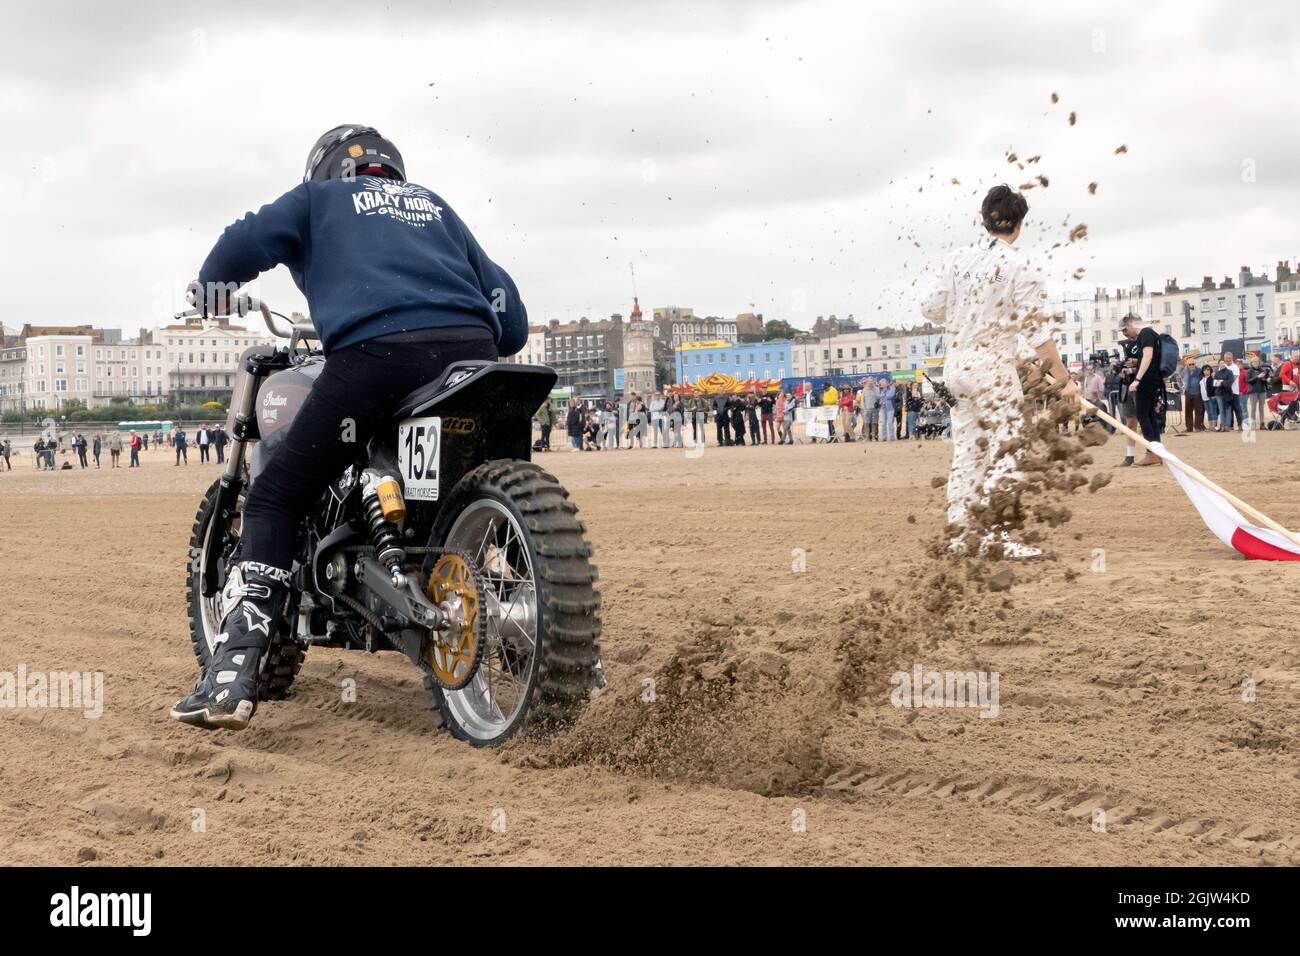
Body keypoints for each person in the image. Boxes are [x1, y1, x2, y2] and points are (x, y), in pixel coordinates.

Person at [172, 124, 526, 731]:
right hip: (470, 357)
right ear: (393, 169)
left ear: (327, 170)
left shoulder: (320, 201)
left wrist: (210, 290)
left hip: (378, 352)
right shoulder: (434, 206)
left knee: (276, 498)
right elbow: (511, 318)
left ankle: (232, 674)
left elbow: (244, 239)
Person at [919, 183, 1078, 559]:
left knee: (968, 452)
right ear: (1019, 224)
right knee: (1010, 446)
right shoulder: (1021, 267)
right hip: (992, 368)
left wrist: (969, 313)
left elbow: (929, 307)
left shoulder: (956, 259)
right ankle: (996, 534)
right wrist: (1065, 383)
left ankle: (960, 535)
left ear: (984, 220)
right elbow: (1038, 334)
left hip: (956, 367)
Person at [1119, 313, 1163, 466]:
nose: (1125, 333)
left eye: (1125, 329)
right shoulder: (1147, 335)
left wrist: (1137, 380)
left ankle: (1151, 453)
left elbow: (1148, 356)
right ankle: (1157, 452)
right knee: (1149, 416)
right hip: (1151, 379)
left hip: (1147, 381)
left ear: (1131, 324)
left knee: (1143, 416)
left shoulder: (1145, 333)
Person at [1214, 353, 1243, 432]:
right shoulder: (1223, 367)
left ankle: (1240, 425)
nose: (1227, 359)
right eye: (1226, 358)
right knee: (1228, 409)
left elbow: (1232, 379)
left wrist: (1222, 381)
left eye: (1229, 358)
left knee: (1237, 409)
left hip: (1234, 391)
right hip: (1224, 392)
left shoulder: (1235, 367)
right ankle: (1229, 426)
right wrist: (1221, 382)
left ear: (1232, 358)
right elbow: (1218, 379)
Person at [1245, 354, 1270, 431]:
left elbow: (1265, 380)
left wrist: (1265, 379)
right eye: (1254, 361)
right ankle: (1252, 425)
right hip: (1253, 391)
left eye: (1257, 361)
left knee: (1261, 408)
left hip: (1262, 391)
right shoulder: (1249, 371)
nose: (1256, 363)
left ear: (1259, 363)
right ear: (1251, 363)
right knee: (1253, 408)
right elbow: (1248, 380)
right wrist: (1257, 377)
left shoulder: (1262, 370)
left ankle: (1262, 424)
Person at [1180, 359, 1204, 432]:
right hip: (1188, 393)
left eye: (1193, 364)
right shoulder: (1184, 371)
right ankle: (1189, 428)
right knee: (1188, 412)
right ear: (1187, 365)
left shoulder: (1200, 371)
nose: (1191, 366)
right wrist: (1181, 385)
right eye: (1189, 364)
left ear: (1195, 364)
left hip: (1197, 393)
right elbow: (1180, 379)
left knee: (1198, 411)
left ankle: (1197, 427)